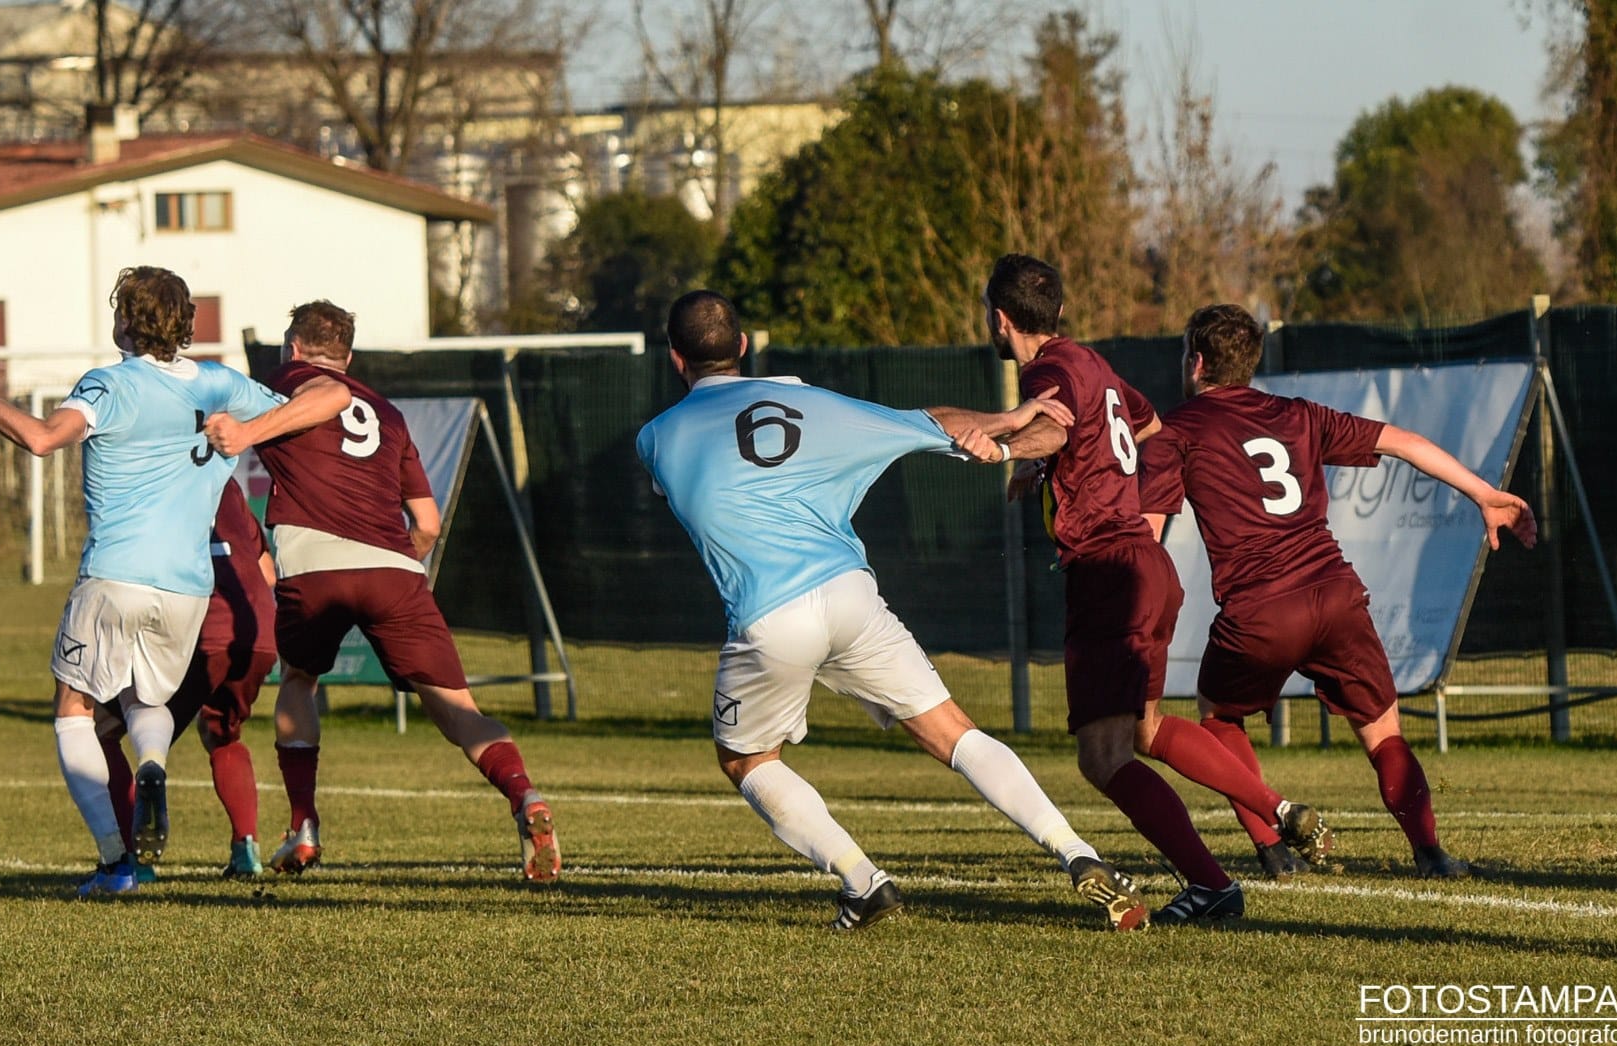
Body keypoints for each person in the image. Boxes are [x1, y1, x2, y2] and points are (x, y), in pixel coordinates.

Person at [637, 289, 1150, 933]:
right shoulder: (806, 401)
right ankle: (1078, 852)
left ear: (675, 358)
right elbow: (923, 421)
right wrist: (1009, 415)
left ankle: (863, 882)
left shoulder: (654, 437)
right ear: (743, 345)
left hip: (771, 615)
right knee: (954, 733)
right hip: (851, 593)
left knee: (746, 760)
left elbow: (685, 474)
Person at [0, 266, 351, 897]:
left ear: (125, 320)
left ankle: (113, 863)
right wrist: (250, 430)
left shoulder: (108, 385)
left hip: (115, 576)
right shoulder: (219, 382)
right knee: (143, 700)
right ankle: (152, 763)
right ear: (184, 324)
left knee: (74, 708)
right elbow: (332, 399)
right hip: (186, 589)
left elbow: (44, 440)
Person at [983, 255, 1329, 927]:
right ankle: (1279, 809)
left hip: (1107, 574)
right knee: (1144, 729)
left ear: (1000, 320)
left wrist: (1007, 446)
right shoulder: (1095, 366)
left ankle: (1211, 884)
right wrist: (1060, 462)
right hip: (1149, 565)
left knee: (1102, 756)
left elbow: (1055, 425)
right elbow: (1145, 427)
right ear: (1055, 312)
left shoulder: (1048, 373)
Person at [1139, 303, 1537, 879]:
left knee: (1219, 718)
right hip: (1334, 596)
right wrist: (1483, 494)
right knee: (1383, 732)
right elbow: (1403, 442)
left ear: (1196, 362)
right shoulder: (1297, 414)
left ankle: (1272, 847)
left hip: (1259, 612)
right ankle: (1430, 853)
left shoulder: (1177, 431)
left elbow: (1148, 539)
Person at [204, 300, 562, 883]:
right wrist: (394, 566)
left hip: (316, 563)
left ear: (292, 347)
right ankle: (525, 797)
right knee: (458, 709)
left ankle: (303, 826)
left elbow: (330, 396)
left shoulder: (290, 382)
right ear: (349, 354)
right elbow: (426, 522)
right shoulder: (390, 415)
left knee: (299, 681)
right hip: (394, 568)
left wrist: (246, 431)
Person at [97, 477, 278, 880]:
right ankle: (245, 848)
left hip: (195, 624)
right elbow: (267, 573)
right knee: (222, 732)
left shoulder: (149, 469)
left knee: (103, 728)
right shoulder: (225, 480)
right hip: (257, 628)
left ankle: (133, 858)